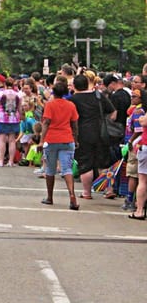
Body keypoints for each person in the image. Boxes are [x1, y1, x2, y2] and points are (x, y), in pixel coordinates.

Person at [69, 73, 116, 200]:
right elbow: (113, 113)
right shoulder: (98, 95)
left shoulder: (73, 100)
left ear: (74, 86)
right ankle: (109, 189)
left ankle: (87, 192)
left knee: (86, 164)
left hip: (83, 134)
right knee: (104, 163)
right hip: (101, 132)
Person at [39, 81, 80, 210]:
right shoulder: (71, 105)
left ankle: (50, 197)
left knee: (50, 169)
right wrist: (76, 139)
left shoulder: (50, 105)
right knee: (67, 169)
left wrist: (41, 140)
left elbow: (46, 123)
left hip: (52, 140)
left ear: (53, 92)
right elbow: (75, 124)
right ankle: (72, 195)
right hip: (67, 139)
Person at [0, 74, 23, 167]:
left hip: (2, 118)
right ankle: (11, 161)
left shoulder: (1, 94)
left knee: (2, 140)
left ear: (5, 84)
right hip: (14, 118)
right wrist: (21, 116)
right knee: (12, 140)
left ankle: (1, 160)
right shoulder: (17, 95)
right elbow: (20, 108)